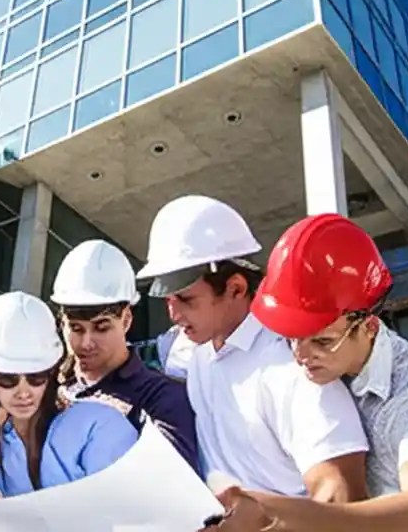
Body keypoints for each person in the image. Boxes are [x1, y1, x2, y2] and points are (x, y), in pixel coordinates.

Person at [203, 213, 408, 531]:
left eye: (322, 341)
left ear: (368, 326)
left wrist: (282, 514)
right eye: (293, 337)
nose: (301, 355)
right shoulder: (311, 367)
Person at [136, 195, 370, 502]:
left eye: (187, 300)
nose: (174, 315)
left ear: (236, 288)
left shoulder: (294, 364)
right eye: (168, 300)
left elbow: (341, 496)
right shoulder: (196, 353)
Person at [0, 291, 137, 498]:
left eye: (36, 377)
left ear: (51, 373)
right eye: (8, 379)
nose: (23, 392)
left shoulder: (101, 425)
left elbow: (116, 507)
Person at [48, 239, 200, 472]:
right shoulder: (47, 391)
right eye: (76, 328)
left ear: (126, 320)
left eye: (101, 328)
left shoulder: (162, 398)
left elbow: (174, 490)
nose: (86, 343)